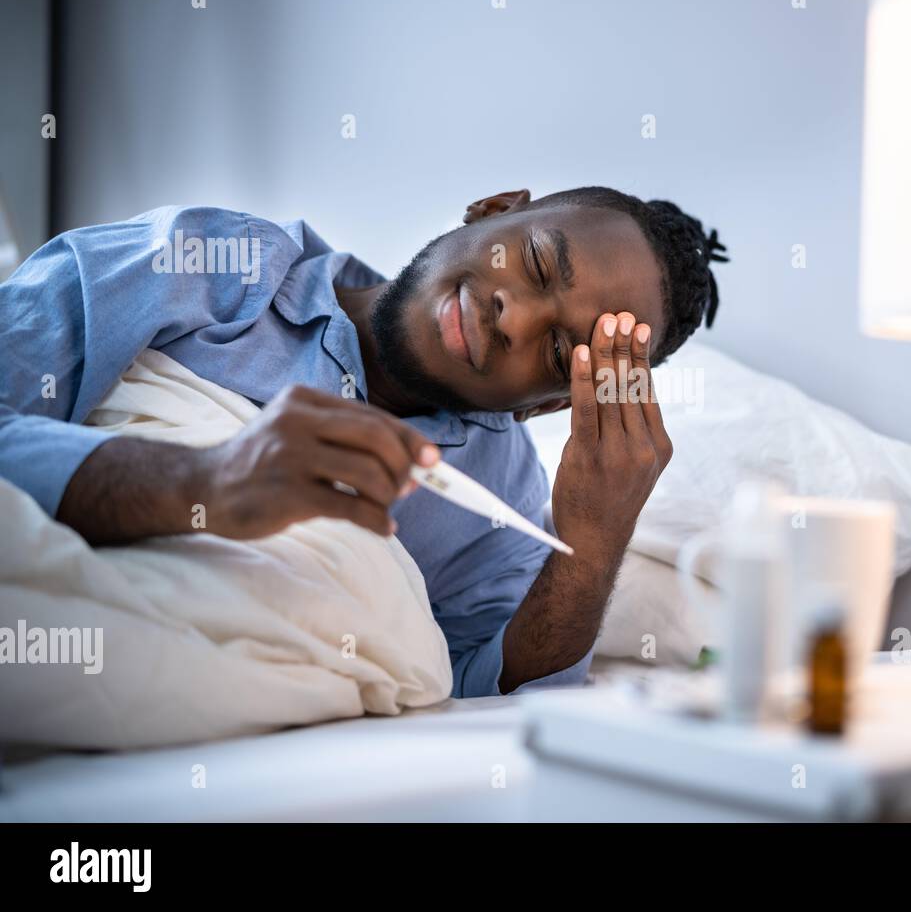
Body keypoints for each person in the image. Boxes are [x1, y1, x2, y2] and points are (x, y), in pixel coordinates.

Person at [0, 186, 728, 696]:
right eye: (534, 263)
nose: (515, 317)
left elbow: (491, 697)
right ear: (494, 208)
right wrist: (206, 486)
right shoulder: (205, 268)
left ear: (542, 408)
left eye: (557, 349)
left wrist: (596, 539)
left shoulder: (499, 502)